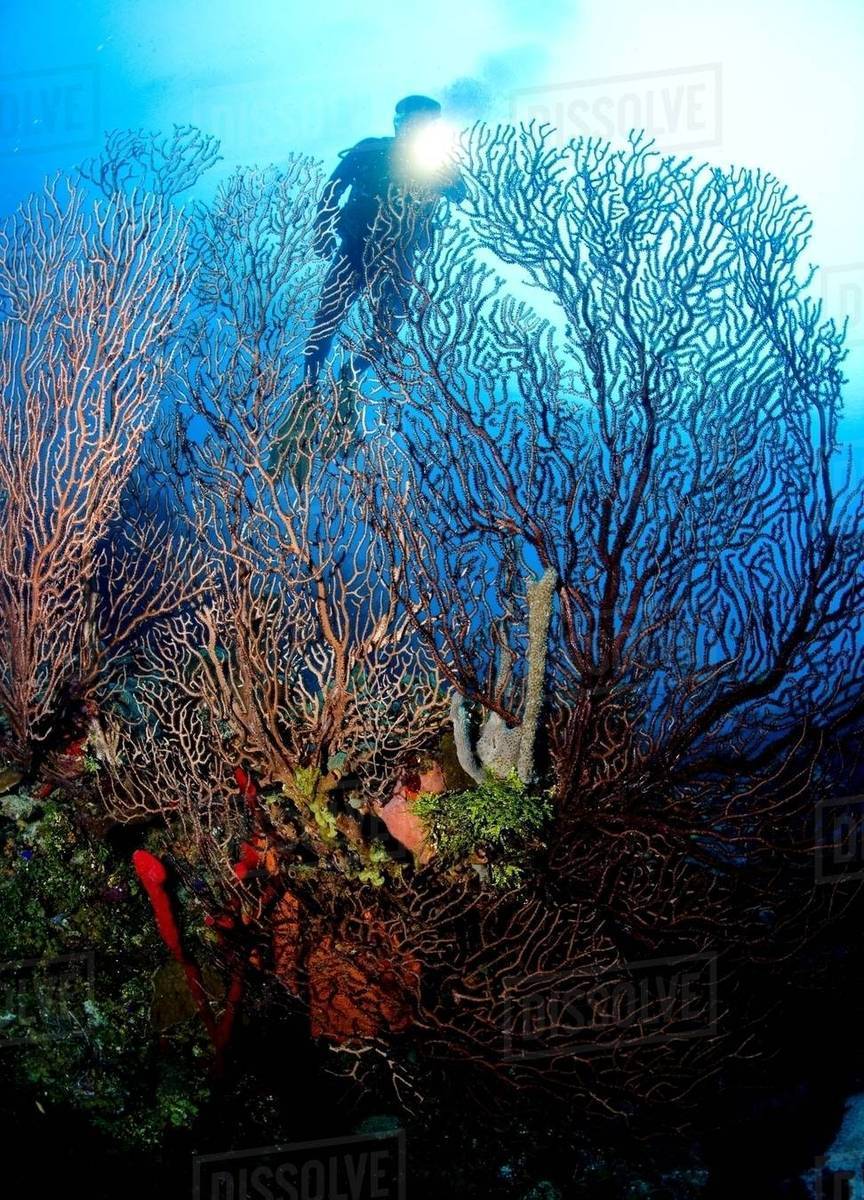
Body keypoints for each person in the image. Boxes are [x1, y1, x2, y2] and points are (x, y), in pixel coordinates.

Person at [303, 94, 467, 384]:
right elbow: (333, 189)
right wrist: (322, 230)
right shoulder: (370, 150)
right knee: (326, 318)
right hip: (354, 248)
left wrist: (449, 174)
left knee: (390, 326)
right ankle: (310, 385)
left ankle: (349, 376)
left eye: (425, 125)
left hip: (400, 254)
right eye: (412, 122)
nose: (416, 130)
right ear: (398, 123)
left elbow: (461, 195)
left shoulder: (436, 164)